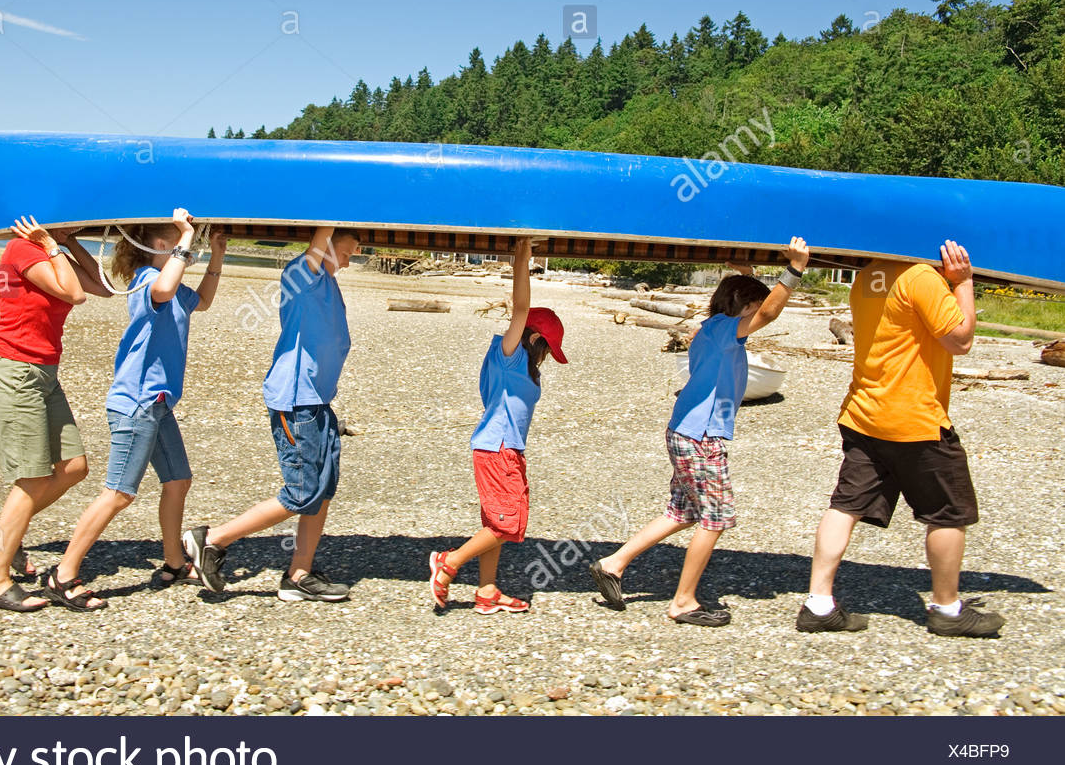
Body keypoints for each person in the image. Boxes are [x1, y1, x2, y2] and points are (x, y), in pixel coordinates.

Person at [589, 238, 810, 626]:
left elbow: (752, 303)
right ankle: (683, 601)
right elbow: (770, 312)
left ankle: (613, 563)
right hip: (700, 438)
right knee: (715, 518)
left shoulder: (713, 327)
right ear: (742, 307)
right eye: (752, 310)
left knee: (682, 511)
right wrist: (795, 270)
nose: (755, 319)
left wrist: (745, 272)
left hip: (685, 431)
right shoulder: (727, 330)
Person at [796, 240, 1004, 637]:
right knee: (948, 512)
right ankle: (947, 609)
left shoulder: (867, 274)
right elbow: (959, 340)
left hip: (863, 413)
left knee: (845, 505)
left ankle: (818, 604)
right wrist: (962, 282)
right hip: (913, 419)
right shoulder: (919, 276)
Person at [41, 210, 226, 611]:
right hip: (136, 404)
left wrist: (216, 254)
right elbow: (162, 290)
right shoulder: (148, 282)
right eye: (181, 250)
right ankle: (64, 574)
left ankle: (174, 563)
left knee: (178, 480)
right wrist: (186, 236)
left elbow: (204, 301)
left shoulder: (174, 286)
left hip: (158, 403)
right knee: (119, 493)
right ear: (163, 246)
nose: (187, 255)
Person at [182, 226, 360, 602]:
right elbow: (322, 229)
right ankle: (211, 540)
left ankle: (299, 575)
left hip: (318, 404)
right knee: (301, 492)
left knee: (322, 491)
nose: (354, 253)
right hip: (296, 403)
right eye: (350, 245)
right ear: (327, 243)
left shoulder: (327, 280)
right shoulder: (303, 274)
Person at [428, 238, 568, 615]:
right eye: (547, 350)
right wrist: (523, 256)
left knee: (497, 519)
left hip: (505, 447)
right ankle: (449, 562)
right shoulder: (510, 354)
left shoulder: (520, 364)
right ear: (535, 339)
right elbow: (521, 307)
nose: (547, 359)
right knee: (510, 521)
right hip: (497, 447)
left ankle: (487, 590)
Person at [0, 217, 110, 611]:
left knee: (74, 466)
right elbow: (76, 294)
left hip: (45, 372)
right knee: (32, 478)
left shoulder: (57, 254)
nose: (82, 224)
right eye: (74, 222)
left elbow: (101, 287)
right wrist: (53, 246)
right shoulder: (23, 250)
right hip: (15, 370)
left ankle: (2, 535)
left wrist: (69, 245)